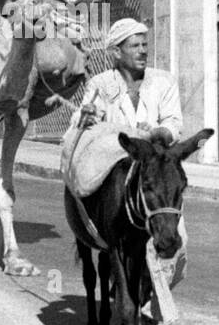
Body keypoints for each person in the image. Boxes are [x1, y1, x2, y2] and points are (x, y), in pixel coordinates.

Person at [74, 17, 189, 308]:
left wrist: (161, 133)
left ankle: (141, 296)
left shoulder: (163, 81)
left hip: (154, 174)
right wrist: (85, 117)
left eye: (145, 45)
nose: (142, 51)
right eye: (134, 45)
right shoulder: (101, 84)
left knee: (177, 243)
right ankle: (127, 300)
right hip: (117, 174)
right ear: (116, 52)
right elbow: (83, 125)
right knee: (118, 243)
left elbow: (175, 123)